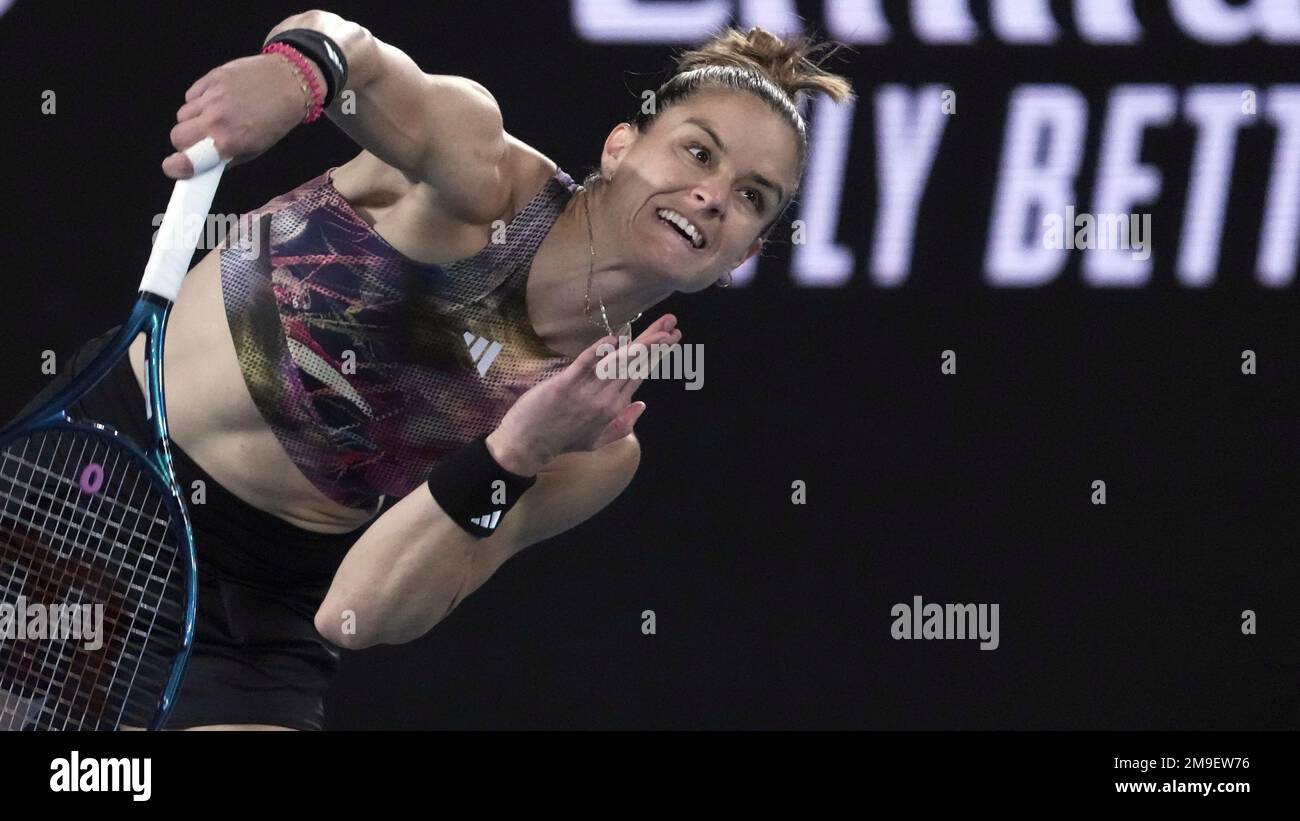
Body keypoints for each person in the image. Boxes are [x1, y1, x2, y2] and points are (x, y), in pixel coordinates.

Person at [21, 12, 854, 730]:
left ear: (747, 252)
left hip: (254, 616)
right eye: (698, 152)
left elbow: (358, 616)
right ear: (621, 144)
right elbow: (357, 53)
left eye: (754, 197)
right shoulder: (478, 174)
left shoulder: (594, 447)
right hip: (84, 479)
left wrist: (511, 456)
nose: (714, 195)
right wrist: (299, 77)